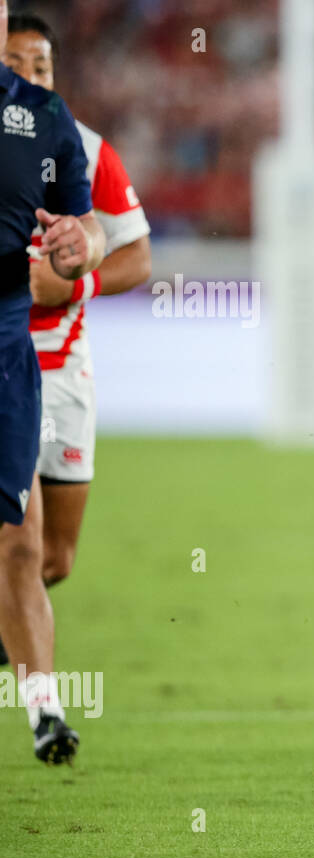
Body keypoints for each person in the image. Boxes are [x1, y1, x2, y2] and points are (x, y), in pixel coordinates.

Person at [3, 14, 152, 595]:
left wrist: (74, 283)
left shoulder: (83, 149)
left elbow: (137, 258)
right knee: (14, 540)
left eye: (42, 65)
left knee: (54, 559)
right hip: (7, 361)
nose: (31, 76)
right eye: (15, 64)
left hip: (61, 370)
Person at [0, 0, 104, 763]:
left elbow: (93, 232)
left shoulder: (46, 121)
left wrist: (79, 247)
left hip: (14, 349)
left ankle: (42, 712)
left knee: (27, 549)